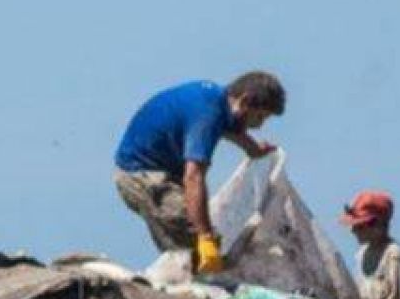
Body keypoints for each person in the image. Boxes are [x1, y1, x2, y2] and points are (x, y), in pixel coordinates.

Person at [114, 72, 286, 274]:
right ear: (245, 100)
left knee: (202, 241)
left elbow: (231, 127)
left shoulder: (219, 100)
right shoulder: (207, 115)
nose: (259, 125)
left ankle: (198, 275)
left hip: (161, 170)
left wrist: (253, 148)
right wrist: (205, 237)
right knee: (193, 239)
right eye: (259, 117)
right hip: (142, 176)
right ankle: (189, 288)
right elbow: (194, 177)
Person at [342, 190, 400, 299]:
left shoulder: (394, 256)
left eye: (359, 226)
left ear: (378, 226)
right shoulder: (362, 254)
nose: (353, 231)